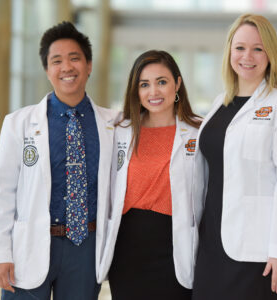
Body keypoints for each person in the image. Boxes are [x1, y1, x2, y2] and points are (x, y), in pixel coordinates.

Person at [0, 21, 119, 300]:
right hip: (30, 244)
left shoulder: (114, 125)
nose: (66, 67)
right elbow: (1, 192)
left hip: (85, 249)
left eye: (74, 59)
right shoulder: (18, 124)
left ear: (89, 65)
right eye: (57, 61)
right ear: (47, 70)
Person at [191, 14, 277, 299]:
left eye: (258, 48)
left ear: (271, 54)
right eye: (240, 47)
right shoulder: (221, 102)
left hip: (260, 249)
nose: (248, 56)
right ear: (229, 50)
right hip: (212, 241)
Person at [98, 50, 201, 300]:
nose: (153, 92)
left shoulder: (198, 131)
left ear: (177, 83)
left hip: (175, 247)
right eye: (144, 84)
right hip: (128, 252)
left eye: (161, 82)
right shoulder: (120, 130)